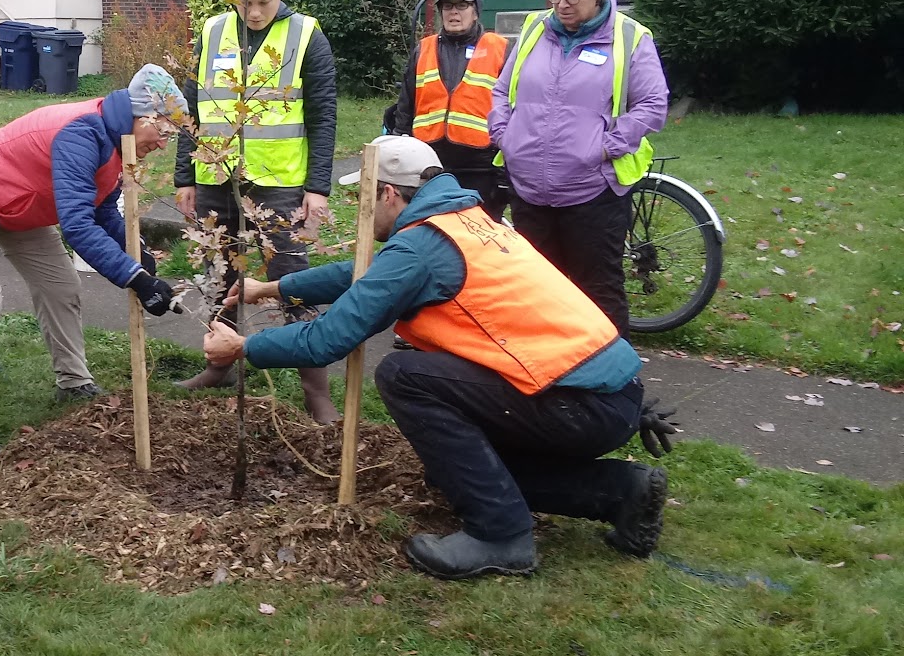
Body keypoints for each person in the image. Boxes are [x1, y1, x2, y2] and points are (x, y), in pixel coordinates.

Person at [202, 135, 667, 580]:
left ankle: (501, 535)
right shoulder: (467, 220)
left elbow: (328, 339)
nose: (359, 210)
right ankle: (623, 492)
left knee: (405, 375)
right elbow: (369, 273)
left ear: (386, 194)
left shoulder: (422, 247)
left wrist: (244, 347)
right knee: (461, 469)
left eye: (362, 197)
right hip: (605, 390)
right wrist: (276, 286)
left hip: (574, 403)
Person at [0, 64, 184, 460]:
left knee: (63, 289)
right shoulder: (82, 134)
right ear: (142, 116)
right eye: (163, 131)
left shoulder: (118, 140)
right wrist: (134, 278)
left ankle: (73, 381)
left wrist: (137, 255)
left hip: (22, 209)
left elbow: (103, 209)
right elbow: (78, 227)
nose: (164, 143)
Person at [173, 0, 340, 423]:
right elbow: (193, 109)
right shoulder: (211, 32)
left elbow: (324, 115)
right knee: (218, 273)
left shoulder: (306, 35)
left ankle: (316, 391)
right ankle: (218, 364)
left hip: (280, 184)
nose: (253, 12)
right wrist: (185, 174)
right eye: (245, 1)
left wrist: (318, 187)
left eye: (263, 1)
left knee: (293, 281)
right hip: (216, 176)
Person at [489, 0, 668, 334]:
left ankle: (610, 387)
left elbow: (653, 105)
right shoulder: (536, 28)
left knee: (597, 293)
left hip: (592, 192)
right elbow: (503, 90)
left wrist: (604, 147)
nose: (561, 5)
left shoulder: (629, 37)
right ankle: (546, 384)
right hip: (530, 188)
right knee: (537, 290)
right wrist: (505, 135)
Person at [389, 0, 508, 218]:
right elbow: (405, 107)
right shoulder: (424, 49)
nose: (453, 12)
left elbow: (515, 109)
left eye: (461, 6)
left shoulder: (501, 49)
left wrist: (505, 172)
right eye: (447, 6)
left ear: (476, 12)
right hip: (430, 165)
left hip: (481, 168)